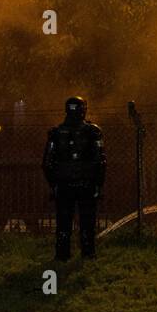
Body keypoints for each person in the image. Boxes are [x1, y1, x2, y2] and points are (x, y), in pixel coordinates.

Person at [42, 96, 106, 260]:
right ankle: (88, 253)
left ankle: (62, 254)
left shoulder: (56, 132)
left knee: (63, 222)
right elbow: (100, 160)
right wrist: (98, 184)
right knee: (87, 222)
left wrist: (53, 183)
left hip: (63, 184)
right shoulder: (93, 131)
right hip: (86, 183)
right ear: (83, 110)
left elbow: (47, 162)